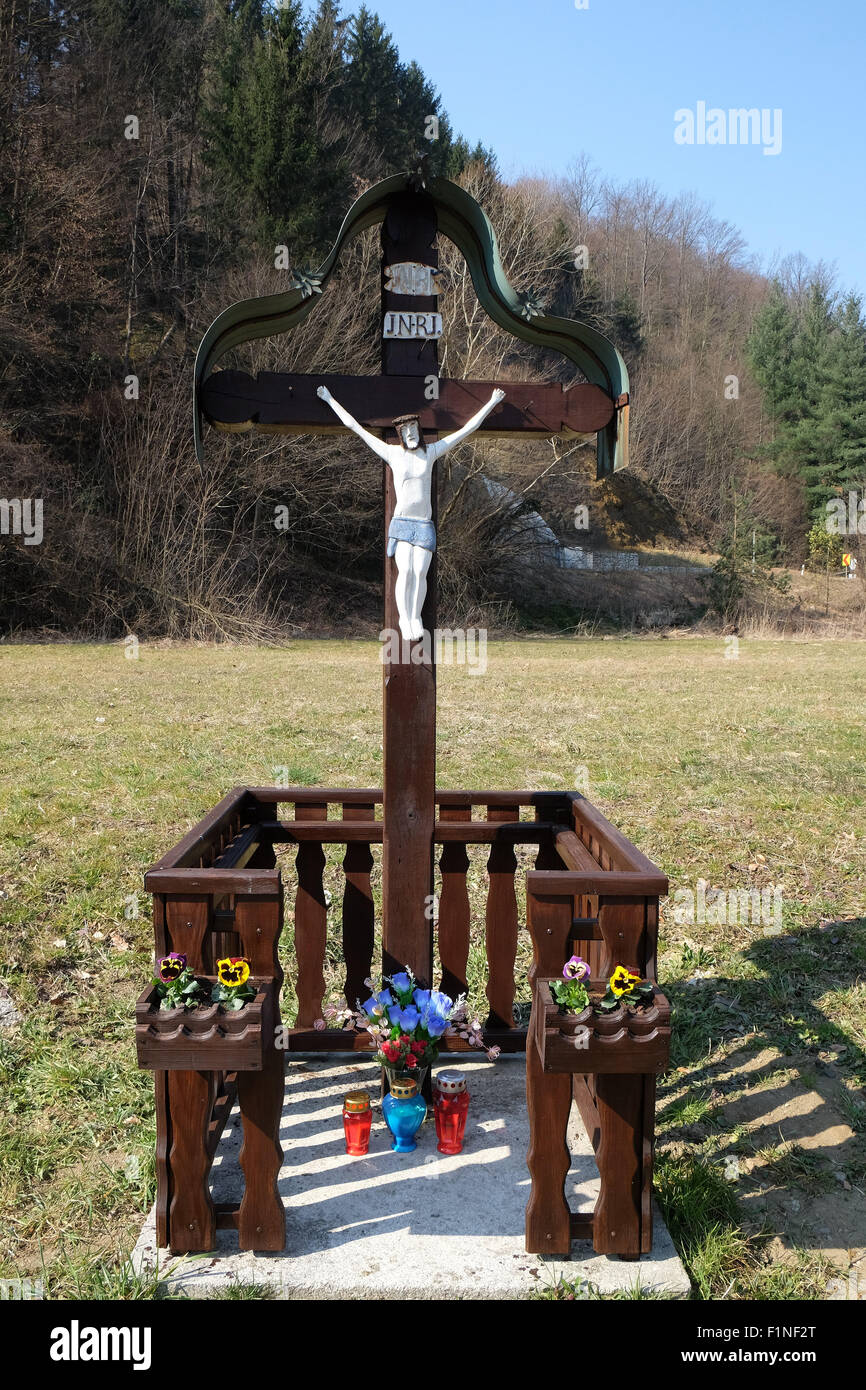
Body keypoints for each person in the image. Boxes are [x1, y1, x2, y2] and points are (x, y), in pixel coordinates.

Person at [317, 384, 505, 639]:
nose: (411, 434)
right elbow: (356, 428)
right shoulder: (393, 454)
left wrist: (491, 403)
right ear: (401, 435)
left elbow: (466, 430)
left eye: (414, 429)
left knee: (420, 572)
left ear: (418, 431)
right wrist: (330, 399)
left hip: (423, 524)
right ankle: (405, 619)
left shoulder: (431, 453)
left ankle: (415, 617)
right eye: (405, 431)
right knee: (405, 571)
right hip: (403, 523)